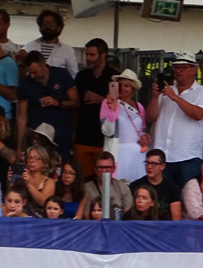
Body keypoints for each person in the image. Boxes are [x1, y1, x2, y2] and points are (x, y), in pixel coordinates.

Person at [146, 51, 203, 190]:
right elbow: (150, 117)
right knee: (163, 196)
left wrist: (175, 97)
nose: (179, 71)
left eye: (184, 67)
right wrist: (155, 98)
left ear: (194, 70)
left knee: (189, 198)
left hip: (188, 156)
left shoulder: (200, 92)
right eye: (176, 67)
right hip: (163, 156)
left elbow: (198, 114)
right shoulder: (166, 91)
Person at [17, 51, 78, 164]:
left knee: (62, 166)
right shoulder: (26, 83)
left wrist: (57, 103)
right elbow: (22, 117)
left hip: (61, 133)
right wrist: (19, 146)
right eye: (29, 73)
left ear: (43, 64)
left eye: (35, 72)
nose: (32, 76)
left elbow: (75, 102)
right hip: (37, 136)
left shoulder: (62, 74)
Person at [74, 38, 117, 179]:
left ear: (103, 55)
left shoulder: (114, 77)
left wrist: (101, 99)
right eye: (87, 54)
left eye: (92, 55)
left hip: (104, 138)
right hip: (83, 135)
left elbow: (121, 105)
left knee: (104, 178)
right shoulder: (82, 76)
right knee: (82, 178)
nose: (88, 58)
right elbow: (75, 104)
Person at [100, 69, 148, 184]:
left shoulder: (139, 106)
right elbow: (107, 131)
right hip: (118, 154)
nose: (122, 88)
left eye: (126, 86)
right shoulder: (107, 103)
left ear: (133, 89)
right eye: (120, 85)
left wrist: (145, 137)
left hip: (138, 156)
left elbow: (141, 130)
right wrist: (112, 110)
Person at [19, 9, 79, 77]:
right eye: (44, 24)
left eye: (51, 25)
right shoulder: (29, 46)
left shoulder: (68, 50)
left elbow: (73, 75)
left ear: (59, 28)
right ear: (40, 27)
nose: (47, 27)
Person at [129, 149, 183, 220]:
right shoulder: (135, 186)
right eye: (147, 163)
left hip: (163, 225)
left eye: (153, 164)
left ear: (162, 166)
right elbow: (130, 212)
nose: (149, 167)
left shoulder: (172, 188)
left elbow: (176, 218)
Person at [82, 151, 132, 218]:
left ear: (114, 169)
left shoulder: (123, 187)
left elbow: (128, 215)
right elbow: (86, 216)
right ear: (95, 169)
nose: (104, 171)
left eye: (107, 167)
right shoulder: (87, 188)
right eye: (100, 167)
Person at [21, 144, 57, 212]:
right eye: (29, 157)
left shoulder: (49, 181)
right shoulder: (22, 176)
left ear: (44, 162)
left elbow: (43, 202)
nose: (31, 161)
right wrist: (10, 181)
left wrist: (29, 185)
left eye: (36, 158)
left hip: (39, 215)